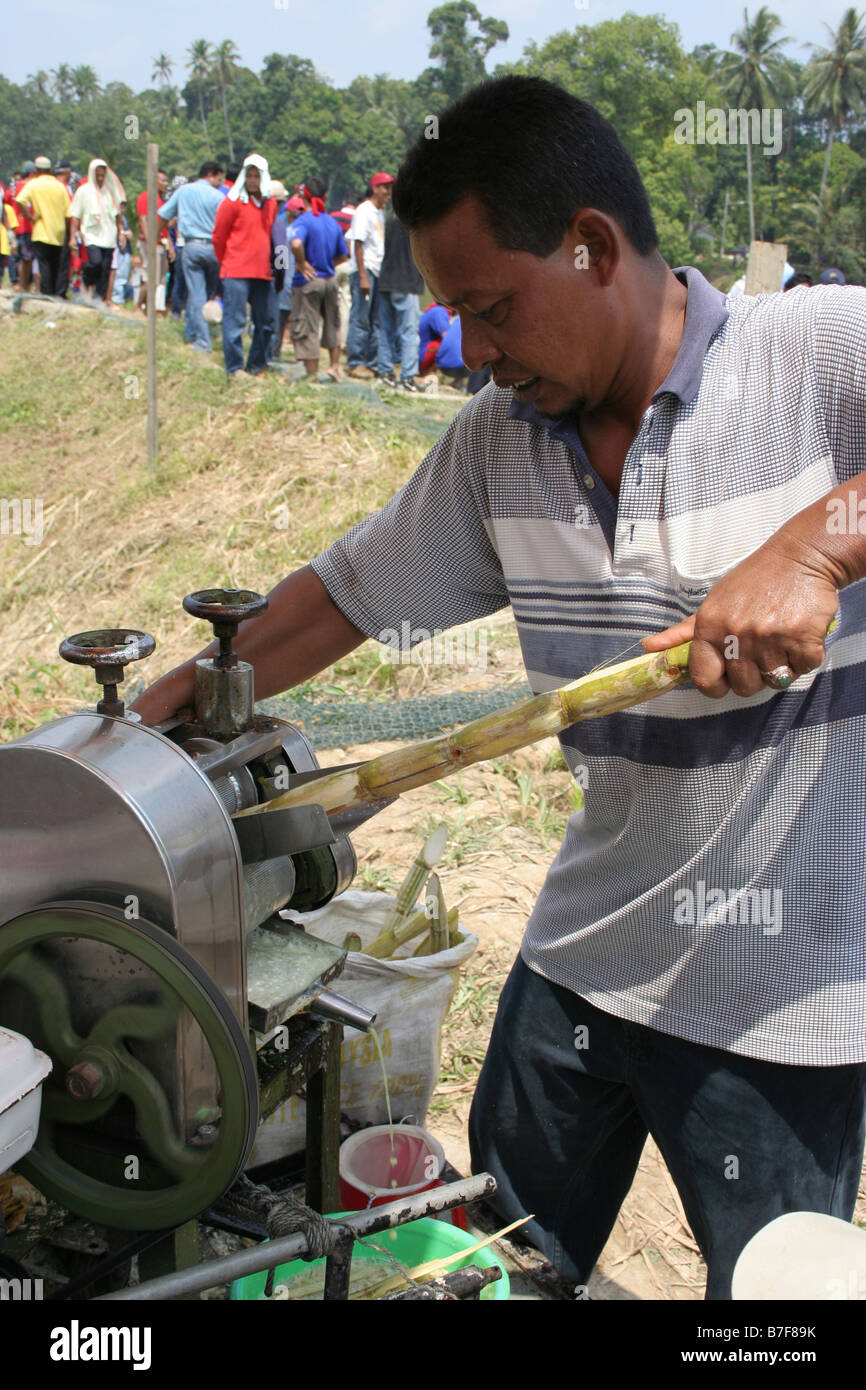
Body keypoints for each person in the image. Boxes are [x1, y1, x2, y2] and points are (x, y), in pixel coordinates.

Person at [129, 74, 866, 1301]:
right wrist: (116, 750)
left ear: (588, 247)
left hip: (779, 997)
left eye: (490, 309)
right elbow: (331, 603)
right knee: (489, 1265)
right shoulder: (499, 441)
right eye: (453, 317)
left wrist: (817, 544)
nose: (470, 352)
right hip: (586, 945)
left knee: (770, 1301)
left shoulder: (812, 355)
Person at [212, 153, 277, 375]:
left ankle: (257, 365)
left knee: (266, 322)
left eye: (256, 176)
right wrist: (226, 262)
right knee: (235, 322)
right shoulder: (231, 203)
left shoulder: (270, 204)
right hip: (236, 270)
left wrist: (280, 268)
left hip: (262, 272)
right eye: (248, 175)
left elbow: (273, 236)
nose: (252, 180)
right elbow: (219, 237)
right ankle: (234, 368)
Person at [157, 161, 224, 351]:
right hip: (214, 249)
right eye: (218, 178)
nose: (219, 182)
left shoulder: (184, 191)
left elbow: (163, 215)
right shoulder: (218, 197)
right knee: (207, 295)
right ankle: (193, 333)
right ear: (211, 174)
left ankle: (201, 341)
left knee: (196, 295)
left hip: (192, 246)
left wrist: (155, 234)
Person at [288, 178, 349, 381]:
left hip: (309, 281)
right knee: (333, 323)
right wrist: (327, 262)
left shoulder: (303, 220)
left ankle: (311, 374)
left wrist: (303, 263)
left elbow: (296, 243)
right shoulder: (332, 222)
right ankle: (334, 367)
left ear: (303, 197)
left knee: (308, 326)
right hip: (330, 279)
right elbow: (343, 254)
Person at [346, 173, 392, 378]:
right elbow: (357, 243)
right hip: (365, 271)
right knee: (360, 318)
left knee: (375, 320)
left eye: (390, 189)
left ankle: (371, 363)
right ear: (375, 189)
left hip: (377, 270)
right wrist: (363, 275)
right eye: (385, 188)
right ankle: (355, 363)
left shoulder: (379, 212)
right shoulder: (364, 211)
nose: (388, 193)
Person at [375, 212, 423, 391]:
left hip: (386, 279)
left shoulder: (389, 218)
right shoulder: (416, 220)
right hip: (407, 281)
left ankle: (385, 372)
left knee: (385, 329)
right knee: (409, 331)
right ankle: (407, 376)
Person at [68, 158, 126, 301]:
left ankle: (99, 300)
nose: (100, 177)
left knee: (105, 269)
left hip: (109, 235)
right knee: (95, 262)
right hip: (91, 235)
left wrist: (121, 233)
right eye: (97, 174)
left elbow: (117, 214)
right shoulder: (83, 191)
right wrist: (72, 237)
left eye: (102, 174)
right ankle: (86, 280)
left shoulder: (111, 192)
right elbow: (75, 215)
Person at [15, 157, 69, 297]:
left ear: (36, 170)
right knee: (56, 264)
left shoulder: (34, 184)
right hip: (59, 231)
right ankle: (57, 293)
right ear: (50, 170)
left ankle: (46, 294)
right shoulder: (59, 185)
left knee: (44, 264)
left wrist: (30, 217)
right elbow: (68, 210)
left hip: (41, 230)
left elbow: (20, 200)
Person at [137, 168, 172, 313]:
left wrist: (169, 245)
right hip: (149, 243)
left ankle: (149, 308)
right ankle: (138, 306)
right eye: (162, 180)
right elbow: (143, 219)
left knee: (158, 279)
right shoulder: (146, 197)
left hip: (160, 243)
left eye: (166, 181)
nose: (166, 184)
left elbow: (163, 225)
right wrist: (149, 240)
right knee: (149, 276)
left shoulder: (161, 200)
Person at [6, 162, 36, 292]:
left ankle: (23, 285)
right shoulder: (27, 187)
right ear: (31, 174)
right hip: (26, 227)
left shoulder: (15, 187)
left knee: (24, 258)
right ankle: (23, 287)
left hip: (18, 226)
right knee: (26, 259)